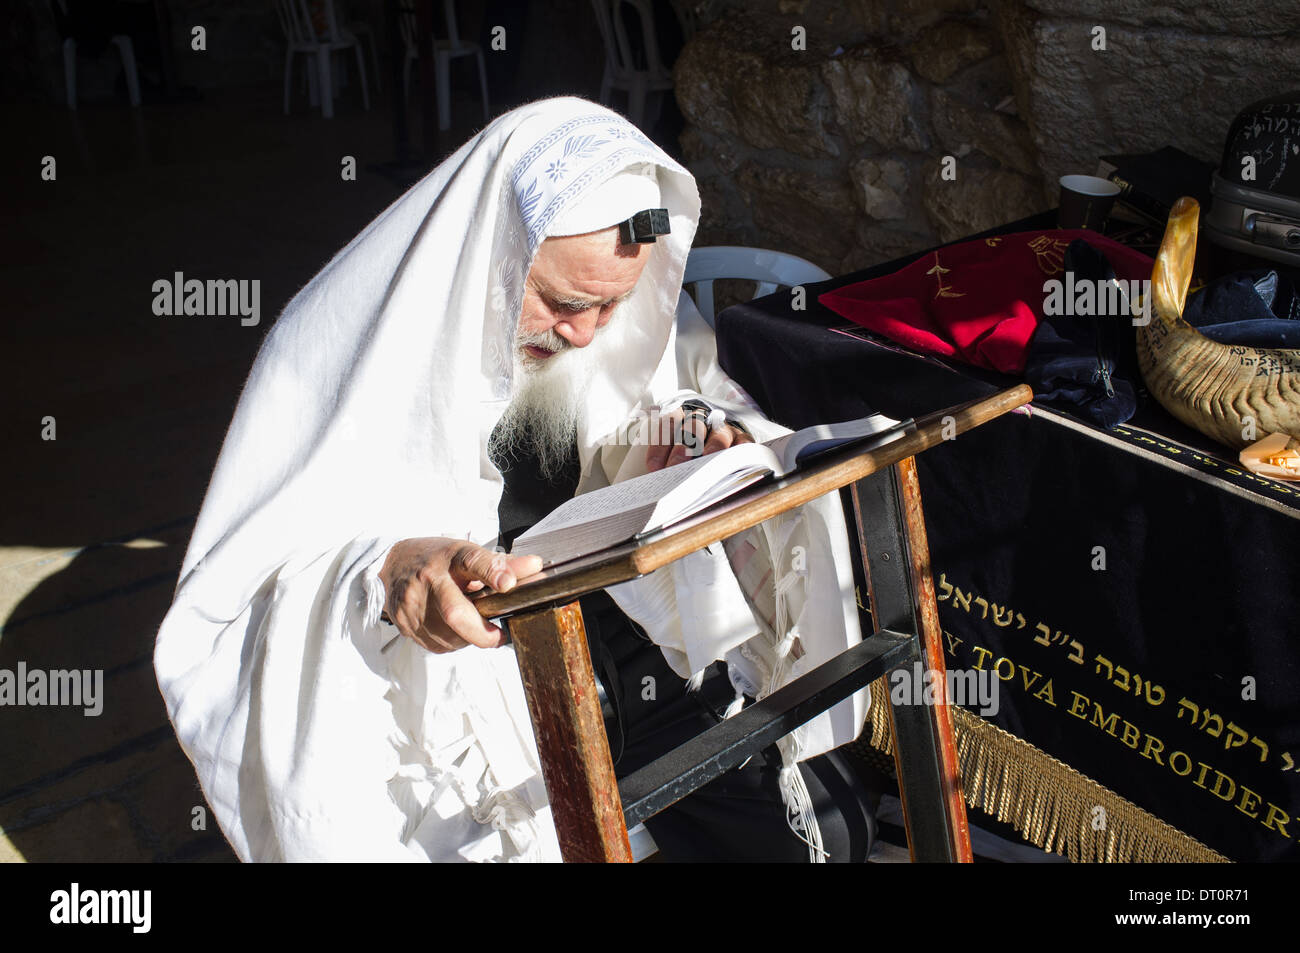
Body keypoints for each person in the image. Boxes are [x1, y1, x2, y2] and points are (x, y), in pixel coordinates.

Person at [155, 96, 872, 862]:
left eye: (614, 304)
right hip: (472, 707)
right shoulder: (338, 350)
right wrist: (390, 572)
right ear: (491, 255)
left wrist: (690, 440)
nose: (587, 334)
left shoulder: (601, 320)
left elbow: (656, 397)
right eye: (564, 302)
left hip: (634, 654)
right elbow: (232, 605)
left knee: (818, 841)